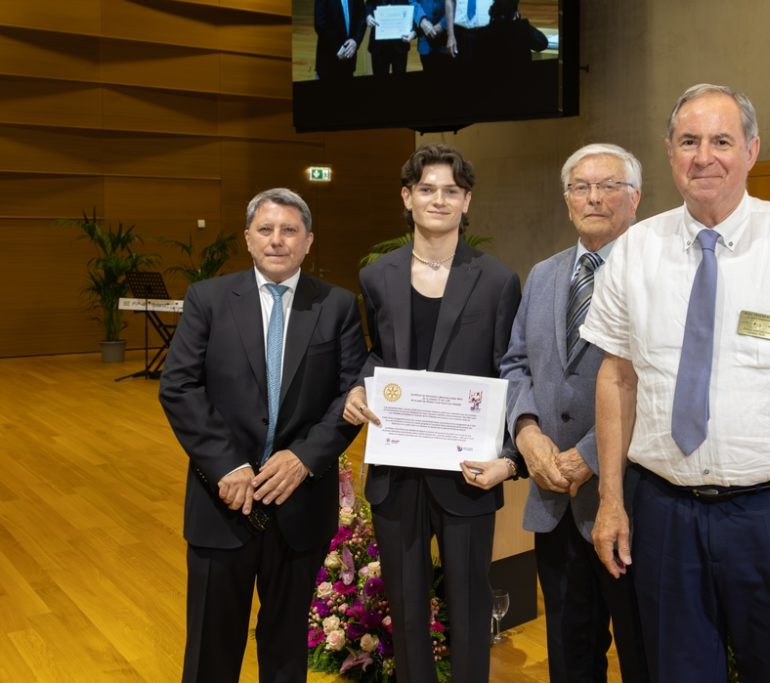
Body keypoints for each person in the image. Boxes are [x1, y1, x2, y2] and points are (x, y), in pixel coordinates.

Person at [582, 84, 770, 683]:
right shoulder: (635, 250)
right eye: (689, 141)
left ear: (751, 150)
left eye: (721, 141)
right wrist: (611, 500)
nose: (704, 157)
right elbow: (616, 377)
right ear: (669, 151)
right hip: (664, 512)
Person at [159, 188, 368, 682]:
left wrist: (304, 458)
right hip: (222, 501)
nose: (278, 240)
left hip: (299, 503)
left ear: (308, 241)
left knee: (286, 648)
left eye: (290, 230)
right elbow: (179, 386)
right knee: (210, 647)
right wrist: (226, 465)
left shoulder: (337, 305)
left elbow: (352, 394)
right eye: (266, 229)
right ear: (248, 239)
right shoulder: (208, 299)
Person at [342, 143, 522, 683]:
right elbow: (375, 354)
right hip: (397, 467)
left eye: (451, 190)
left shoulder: (497, 280)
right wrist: (359, 388)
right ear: (407, 197)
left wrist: (507, 456)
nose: (438, 199)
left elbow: (509, 371)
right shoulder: (377, 276)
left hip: (467, 471)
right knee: (405, 608)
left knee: (469, 608)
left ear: (467, 201)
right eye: (426, 189)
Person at [499, 143, 650, 683]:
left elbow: (662, 379)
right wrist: (527, 432)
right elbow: (516, 363)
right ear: (567, 200)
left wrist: (589, 455)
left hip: (629, 499)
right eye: (581, 187)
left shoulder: (658, 271)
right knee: (569, 654)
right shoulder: (543, 274)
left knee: (643, 652)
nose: (594, 198)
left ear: (635, 196)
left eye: (609, 186)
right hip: (553, 500)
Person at [315, 0, 368, 80]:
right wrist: (340, 47)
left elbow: (362, 17)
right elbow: (320, 24)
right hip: (328, 58)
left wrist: (356, 40)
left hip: (349, 56)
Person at [366, 1, 416, 76]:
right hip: (378, 45)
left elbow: (413, 4)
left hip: (400, 43)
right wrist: (368, 15)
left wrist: (414, 30)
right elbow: (369, 4)